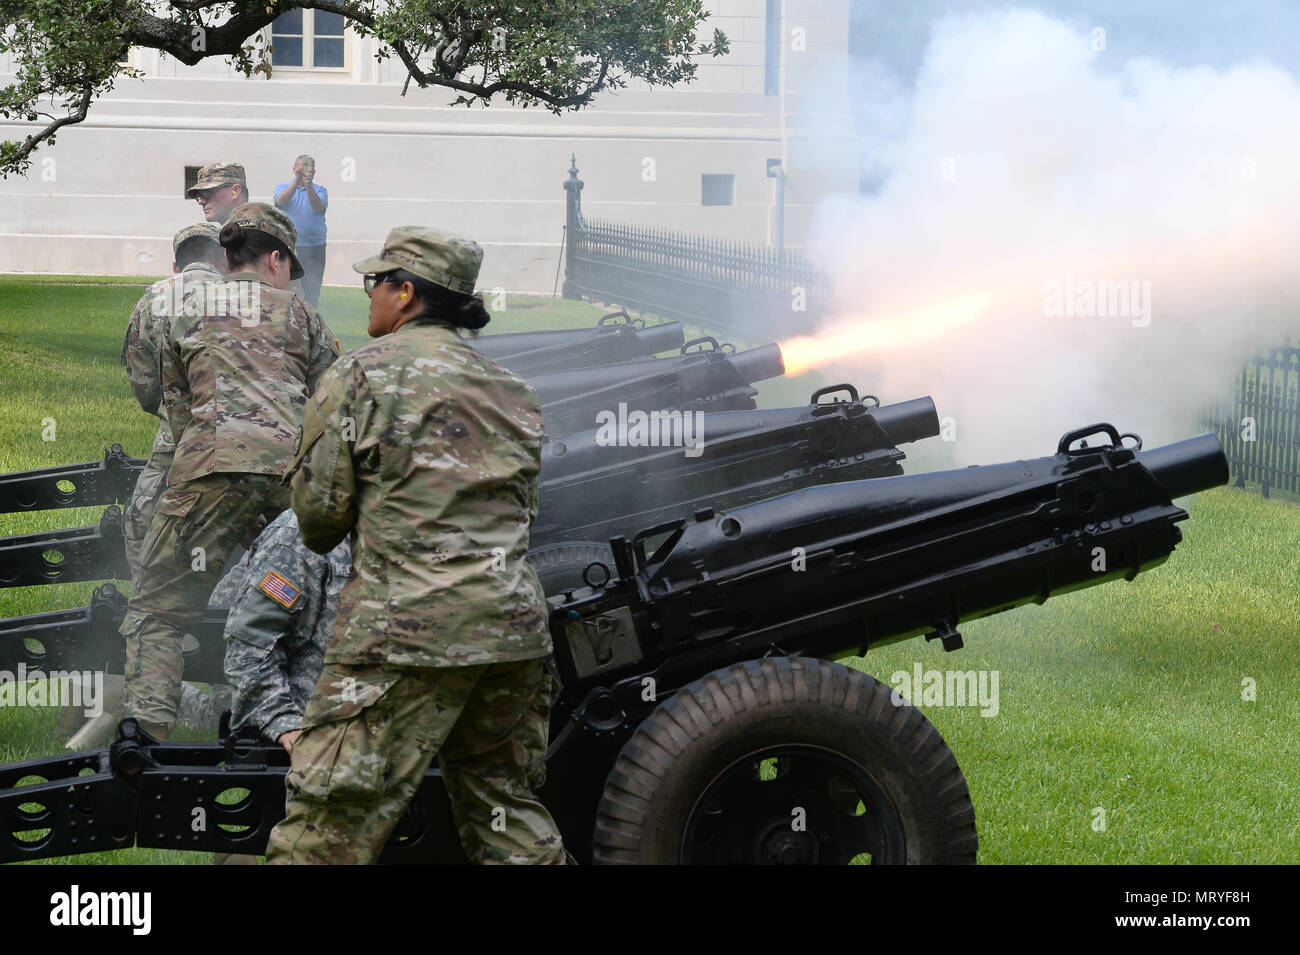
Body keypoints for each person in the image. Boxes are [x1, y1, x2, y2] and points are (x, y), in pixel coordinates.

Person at [266, 226, 566, 865]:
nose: (367, 293)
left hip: (403, 637)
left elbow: (318, 521)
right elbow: (524, 512)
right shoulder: (515, 390)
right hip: (513, 636)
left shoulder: (360, 376)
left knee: (325, 823)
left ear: (406, 294)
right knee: (502, 809)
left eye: (375, 282)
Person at [118, 202, 339, 740]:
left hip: (209, 464)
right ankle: (306, 729)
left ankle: (147, 747)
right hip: (293, 474)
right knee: (308, 600)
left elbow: (168, 400)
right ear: (275, 257)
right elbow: (334, 405)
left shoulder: (187, 308)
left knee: (159, 612)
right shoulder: (303, 316)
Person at [65, 223, 233, 748]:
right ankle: (232, 704)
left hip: (177, 460)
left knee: (153, 596)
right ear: (224, 261)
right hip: (254, 464)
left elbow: (143, 386)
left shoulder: (155, 298)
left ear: (178, 263)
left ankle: (145, 715)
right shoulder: (255, 299)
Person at [273, 156, 328, 307]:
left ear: (313, 171)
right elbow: (280, 203)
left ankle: (310, 323)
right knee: (287, 288)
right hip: (289, 246)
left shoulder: (320, 190)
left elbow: (318, 207)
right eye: (300, 167)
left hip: (314, 248)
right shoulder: (282, 187)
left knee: (312, 289)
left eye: (307, 167)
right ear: (294, 169)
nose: (303, 170)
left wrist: (308, 186)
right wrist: (297, 181)